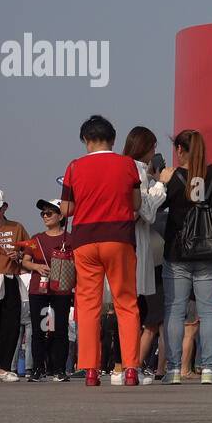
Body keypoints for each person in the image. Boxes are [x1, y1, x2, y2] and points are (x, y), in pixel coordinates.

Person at [59, 116, 145, 387]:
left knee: (87, 305)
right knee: (126, 302)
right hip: (119, 238)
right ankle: (130, 368)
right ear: (113, 139)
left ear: (86, 140)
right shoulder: (127, 164)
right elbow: (136, 203)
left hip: (85, 240)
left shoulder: (74, 167)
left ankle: (91, 370)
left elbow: (66, 210)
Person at [160, 129, 212, 385]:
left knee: (175, 311)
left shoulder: (173, 179)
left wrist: (162, 181)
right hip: (210, 253)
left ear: (180, 150)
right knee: (209, 311)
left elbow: (153, 209)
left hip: (177, 253)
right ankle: (208, 369)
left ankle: (173, 370)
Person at [122, 126, 169, 383]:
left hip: (122, 240)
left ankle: (123, 365)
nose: (154, 153)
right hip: (136, 243)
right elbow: (146, 211)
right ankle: (130, 366)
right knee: (133, 307)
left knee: (126, 305)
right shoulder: (136, 170)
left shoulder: (120, 166)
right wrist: (160, 184)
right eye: (152, 147)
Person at [19, 200, 73, 382]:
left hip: (62, 290)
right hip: (38, 290)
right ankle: (37, 370)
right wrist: (37, 266)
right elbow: (25, 261)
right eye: (43, 213)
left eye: (49, 213)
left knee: (60, 330)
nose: (45, 216)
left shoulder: (70, 239)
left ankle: (59, 370)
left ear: (61, 216)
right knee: (38, 330)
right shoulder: (36, 239)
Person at [0, 189, 31, 382]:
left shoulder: (16, 227)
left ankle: (3, 367)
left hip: (10, 279)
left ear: (4, 207)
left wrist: (19, 255)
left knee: (11, 325)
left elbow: (31, 249)